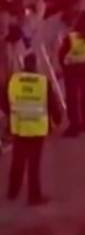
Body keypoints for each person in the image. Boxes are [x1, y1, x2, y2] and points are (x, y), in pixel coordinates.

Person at [9, 50, 57, 205]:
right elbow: (52, 103)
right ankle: (34, 196)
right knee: (33, 164)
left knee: (17, 160)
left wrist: (12, 113)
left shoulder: (13, 81)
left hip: (20, 126)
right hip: (37, 128)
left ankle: (12, 191)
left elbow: (3, 99)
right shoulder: (42, 82)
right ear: (35, 65)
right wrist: (57, 118)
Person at [59, 12, 85, 137]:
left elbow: (62, 54)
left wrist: (63, 65)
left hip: (72, 70)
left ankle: (75, 126)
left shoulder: (71, 38)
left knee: (72, 99)